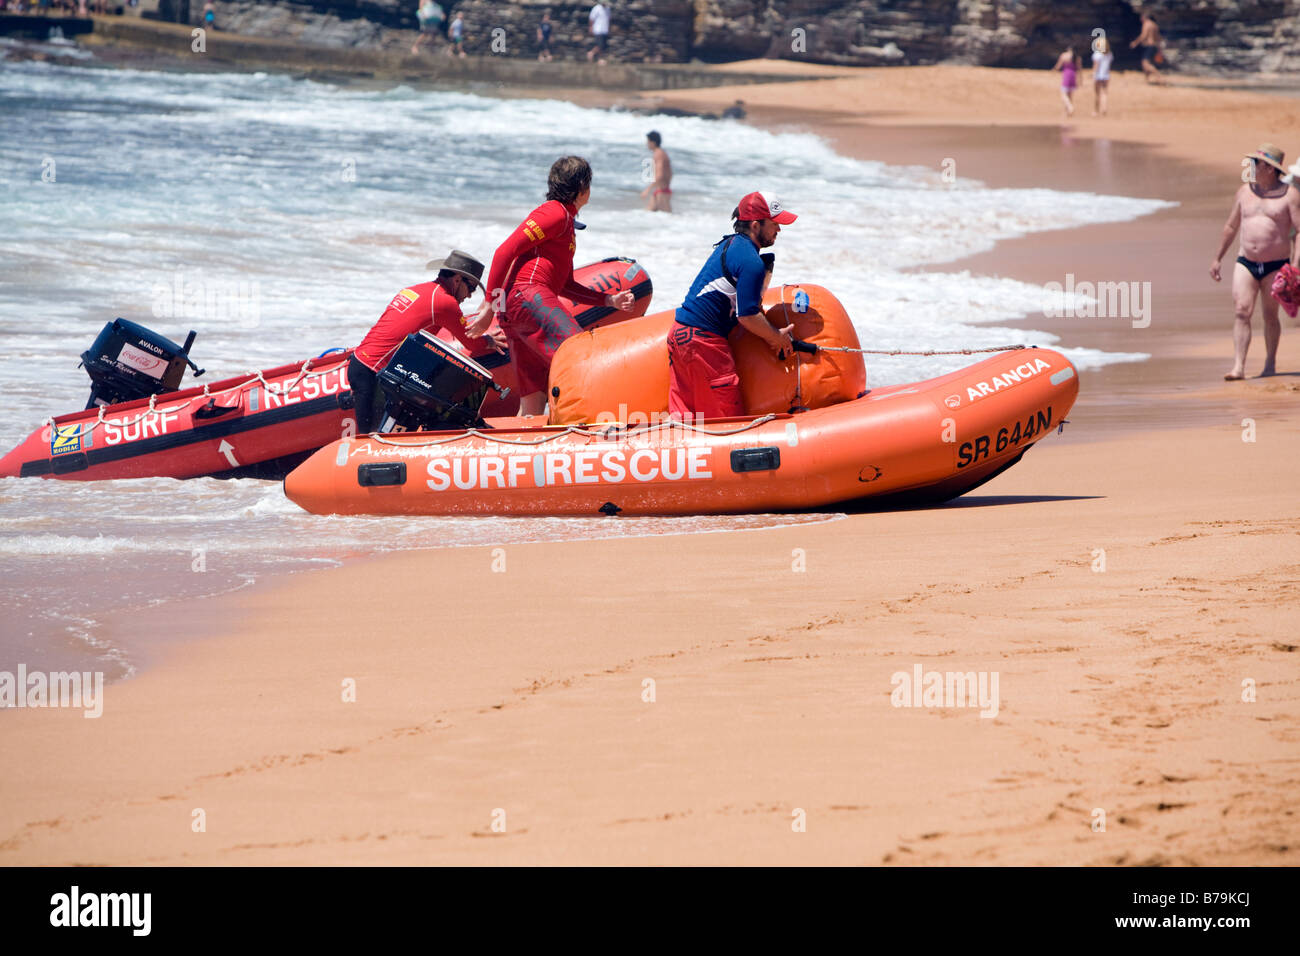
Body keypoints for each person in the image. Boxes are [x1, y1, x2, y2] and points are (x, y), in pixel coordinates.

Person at [467, 157, 635, 417]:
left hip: (518, 311)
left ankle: (526, 444)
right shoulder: (554, 212)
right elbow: (504, 251)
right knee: (582, 356)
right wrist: (490, 304)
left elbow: (566, 285)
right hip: (528, 297)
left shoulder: (565, 222)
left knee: (533, 401)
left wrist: (609, 301)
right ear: (583, 189)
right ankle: (601, 426)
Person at [666, 192, 797, 420]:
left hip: (680, 335)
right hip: (704, 344)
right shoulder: (751, 262)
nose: (779, 230)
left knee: (682, 419)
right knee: (728, 421)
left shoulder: (731, 244)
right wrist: (777, 337)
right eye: (775, 224)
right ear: (756, 225)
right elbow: (746, 316)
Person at [348, 251, 503, 434]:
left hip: (361, 364)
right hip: (372, 373)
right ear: (457, 280)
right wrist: (489, 341)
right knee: (374, 441)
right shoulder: (444, 302)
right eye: (471, 289)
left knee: (380, 436)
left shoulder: (415, 290)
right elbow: (471, 343)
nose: (469, 296)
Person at [1210, 144, 1300, 380]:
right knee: (1241, 311)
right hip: (1246, 262)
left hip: (1276, 264)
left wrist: (1295, 265)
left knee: (1270, 316)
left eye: (1256, 163)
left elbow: (1299, 231)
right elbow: (1231, 226)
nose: (1251, 167)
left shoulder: (1290, 195)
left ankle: (1270, 365)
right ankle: (1238, 367)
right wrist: (1217, 258)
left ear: (1269, 169)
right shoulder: (1244, 192)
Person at [640, 130, 672, 213]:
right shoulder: (661, 153)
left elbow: (660, 175)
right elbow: (670, 173)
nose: (646, 144)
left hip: (662, 193)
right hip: (661, 191)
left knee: (667, 218)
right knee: (647, 215)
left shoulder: (659, 154)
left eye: (648, 141)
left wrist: (647, 189)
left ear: (653, 142)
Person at [1130, 12, 1164, 84]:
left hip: (1148, 45)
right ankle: (1147, 79)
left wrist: (1135, 43)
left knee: (1145, 63)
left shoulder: (1146, 24)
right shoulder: (1154, 25)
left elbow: (1144, 35)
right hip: (1154, 46)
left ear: (1144, 18)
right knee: (1147, 62)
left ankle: (1158, 75)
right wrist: (1159, 48)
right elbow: (1158, 37)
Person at [1053, 46, 1079, 118]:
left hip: (1066, 75)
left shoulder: (1064, 55)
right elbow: (1079, 69)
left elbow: (1058, 66)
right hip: (1073, 75)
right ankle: (1066, 113)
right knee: (1070, 95)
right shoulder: (1077, 57)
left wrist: (1054, 70)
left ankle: (1070, 107)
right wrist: (1080, 80)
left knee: (1063, 94)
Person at [1091, 34, 1113, 116]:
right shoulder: (1109, 54)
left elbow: (1095, 66)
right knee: (1104, 93)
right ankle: (1104, 108)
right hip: (1106, 75)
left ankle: (1096, 111)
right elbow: (1109, 66)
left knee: (1097, 94)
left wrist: (1093, 75)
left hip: (1098, 76)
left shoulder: (1097, 54)